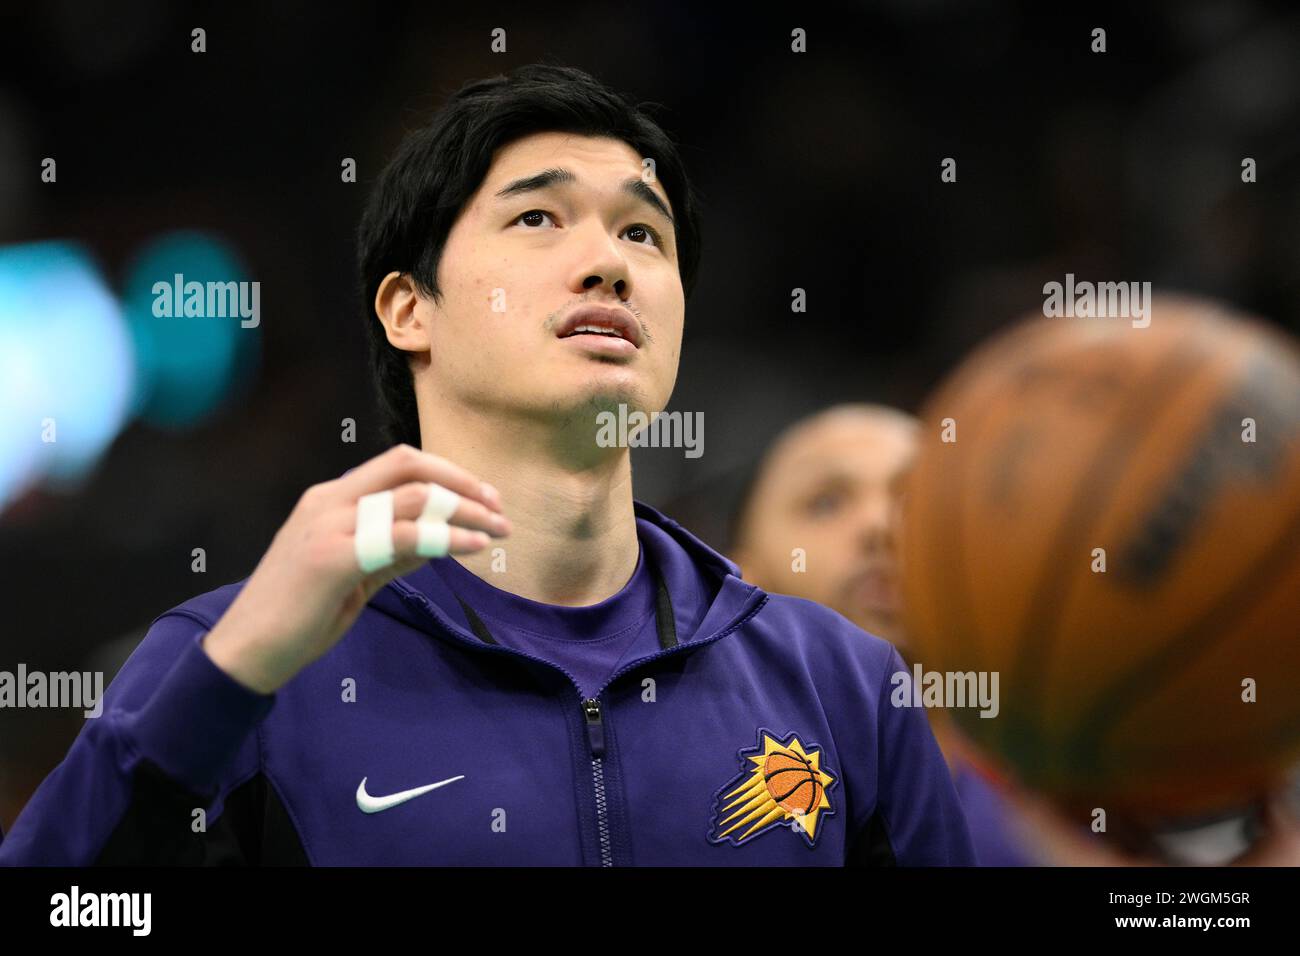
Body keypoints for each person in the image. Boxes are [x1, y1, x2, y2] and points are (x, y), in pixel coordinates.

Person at [0, 65, 973, 866]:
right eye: (538, 219)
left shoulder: (841, 679)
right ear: (406, 310)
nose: (609, 262)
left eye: (643, 231)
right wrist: (227, 679)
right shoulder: (237, 655)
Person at [730, 403, 1036, 865]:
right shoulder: (697, 789)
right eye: (826, 501)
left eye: (916, 499)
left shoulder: (1063, 793)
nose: (881, 526)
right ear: (741, 576)